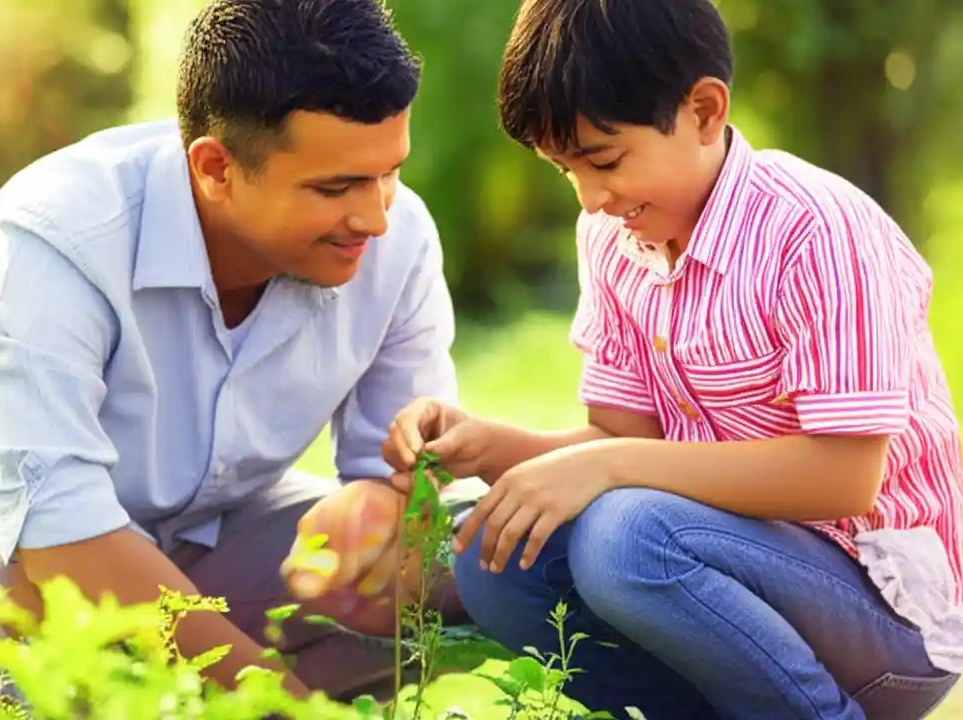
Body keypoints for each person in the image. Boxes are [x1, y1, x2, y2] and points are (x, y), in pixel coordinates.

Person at [0, 0, 465, 701]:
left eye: (389, 173)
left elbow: (406, 491)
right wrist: (279, 707)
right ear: (215, 169)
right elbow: (62, 537)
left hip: (212, 549)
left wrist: (385, 513)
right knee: (23, 586)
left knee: (472, 555)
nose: (377, 216)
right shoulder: (53, 240)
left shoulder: (397, 235)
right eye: (335, 188)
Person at [383, 1, 963, 718]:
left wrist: (605, 468)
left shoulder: (815, 229)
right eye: (566, 170)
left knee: (624, 537)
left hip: (887, 613)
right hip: (730, 583)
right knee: (494, 554)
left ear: (704, 111)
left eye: (604, 160)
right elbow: (628, 443)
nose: (591, 198)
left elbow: (845, 476)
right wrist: (494, 448)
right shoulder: (615, 239)